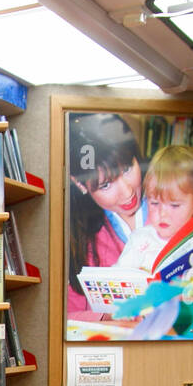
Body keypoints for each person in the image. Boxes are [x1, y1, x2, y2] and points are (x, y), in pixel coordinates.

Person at [66, 113, 147, 321]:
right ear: (80, 184)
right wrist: (106, 316)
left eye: (128, 169)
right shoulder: (82, 240)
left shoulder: (175, 204)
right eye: (106, 185)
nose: (127, 191)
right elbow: (66, 315)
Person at [115, 144, 193, 274]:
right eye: (155, 203)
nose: (162, 214)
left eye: (174, 205)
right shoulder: (139, 239)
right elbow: (117, 275)